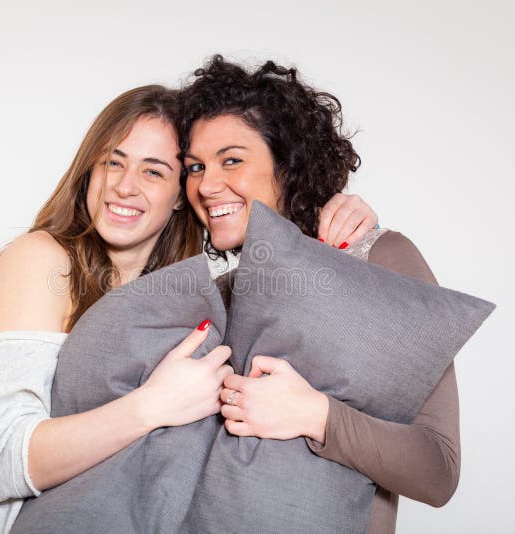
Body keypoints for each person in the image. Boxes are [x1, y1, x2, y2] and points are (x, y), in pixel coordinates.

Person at [0, 84, 378, 533]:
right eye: (113, 161)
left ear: (179, 193)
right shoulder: (43, 261)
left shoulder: (183, 296)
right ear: (88, 170)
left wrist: (337, 207)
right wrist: (153, 405)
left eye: (153, 172)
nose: (124, 186)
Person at [178, 55, 459, 534]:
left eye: (232, 160)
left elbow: (437, 470)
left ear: (288, 165)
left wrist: (315, 415)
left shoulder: (375, 257)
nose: (206, 184)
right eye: (195, 166)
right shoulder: (214, 295)